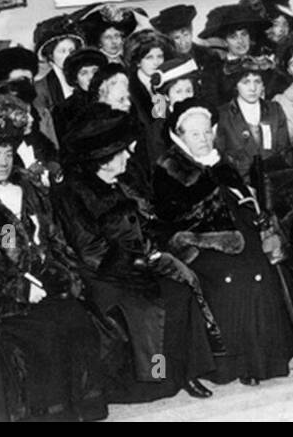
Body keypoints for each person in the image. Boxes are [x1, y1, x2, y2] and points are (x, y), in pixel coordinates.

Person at [0, 106, 126, 421]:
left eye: (8, 153)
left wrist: (66, 275)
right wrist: (20, 289)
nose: (3, 162)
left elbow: (55, 240)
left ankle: (85, 407)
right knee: (46, 334)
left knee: (81, 320)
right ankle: (52, 414)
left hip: (49, 282)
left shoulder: (27, 186)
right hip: (1, 299)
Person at [55, 105, 218, 401]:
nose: (127, 156)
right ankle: (158, 378)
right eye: (119, 153)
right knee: (152, 306)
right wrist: (139, 262)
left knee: (182, 292)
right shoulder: (72, 193)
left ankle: (187, 373)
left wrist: (157, 249)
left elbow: (147, 223)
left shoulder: (124, 181)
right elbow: (90, 250)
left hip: (139, 263)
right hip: (105, 275)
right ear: (101, 160)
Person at [151, 99, 293, 385]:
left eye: (207, 132)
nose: (204, 139)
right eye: (195, 134)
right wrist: (212, 196)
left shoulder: (220, 161)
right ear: (179, 137)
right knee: (236, 278)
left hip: (239, 234)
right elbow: (171, 219)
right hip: (197, 242)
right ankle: (233, 365)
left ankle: (265, 361)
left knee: (261, 270)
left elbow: (245, 201)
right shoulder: (167, 168)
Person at [214, 56, 293, 235]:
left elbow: (284, 153)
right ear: (235, 85)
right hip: (242, 199)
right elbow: (220, 161)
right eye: (245, 82)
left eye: (257, 81)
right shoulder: (222, 116)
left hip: (276, 192)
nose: (252, 88)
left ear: (263, 85)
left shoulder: (275, 110)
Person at [149, 4, 219, 106]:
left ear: (191, 32)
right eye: (177, 37)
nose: (183, 42)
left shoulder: (208, 56)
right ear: (169, 39)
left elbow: (215, 92)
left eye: (185, 35)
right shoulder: (165, 63)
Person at [32, 14, 85, 145]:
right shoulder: (41, 88)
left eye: (71, 51)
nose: (68, 56)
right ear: (50, 55)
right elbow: (45, 131)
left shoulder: (84, 77)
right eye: (62, 51)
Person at [124, 30, 173, 133]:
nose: (156, 63)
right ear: (137, 61)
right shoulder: (127, 88)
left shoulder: (168, 81)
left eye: (160, 56)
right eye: (149, 58)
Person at [76, 3, 141, 65]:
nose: (114, 41)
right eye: (108, 37)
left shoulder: (127, 60)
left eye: (117, 36)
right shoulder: (96, 63)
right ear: (99, 42)